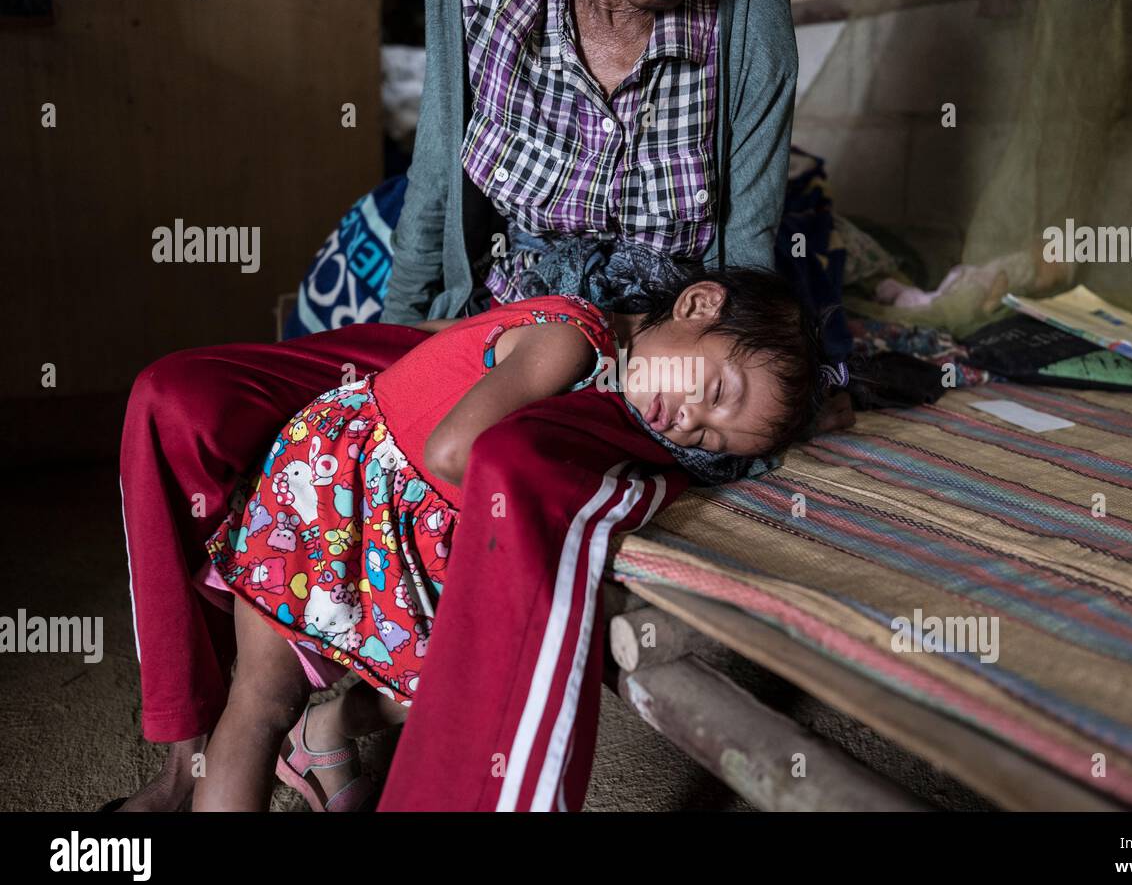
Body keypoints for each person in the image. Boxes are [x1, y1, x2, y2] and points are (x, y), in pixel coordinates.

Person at [111, 0, 847, 811]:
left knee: (513, 478)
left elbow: (746, 247)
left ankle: (363, 726)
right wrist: (392, 334)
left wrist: (721, 441)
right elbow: (435, 187)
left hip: (628, 365)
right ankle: (184, 764)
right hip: (490, 328)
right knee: (173, 399)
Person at [189, 271, 820, 810]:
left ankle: (320, 735)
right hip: (334, 487)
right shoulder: (576, 339)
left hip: (367, 504)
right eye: (713, 392)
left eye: (709, 439)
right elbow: (455, 451)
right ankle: (317, 732)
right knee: (265, 700)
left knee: (404, 687)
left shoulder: (618, 393)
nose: (688, 422)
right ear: (698, 303)